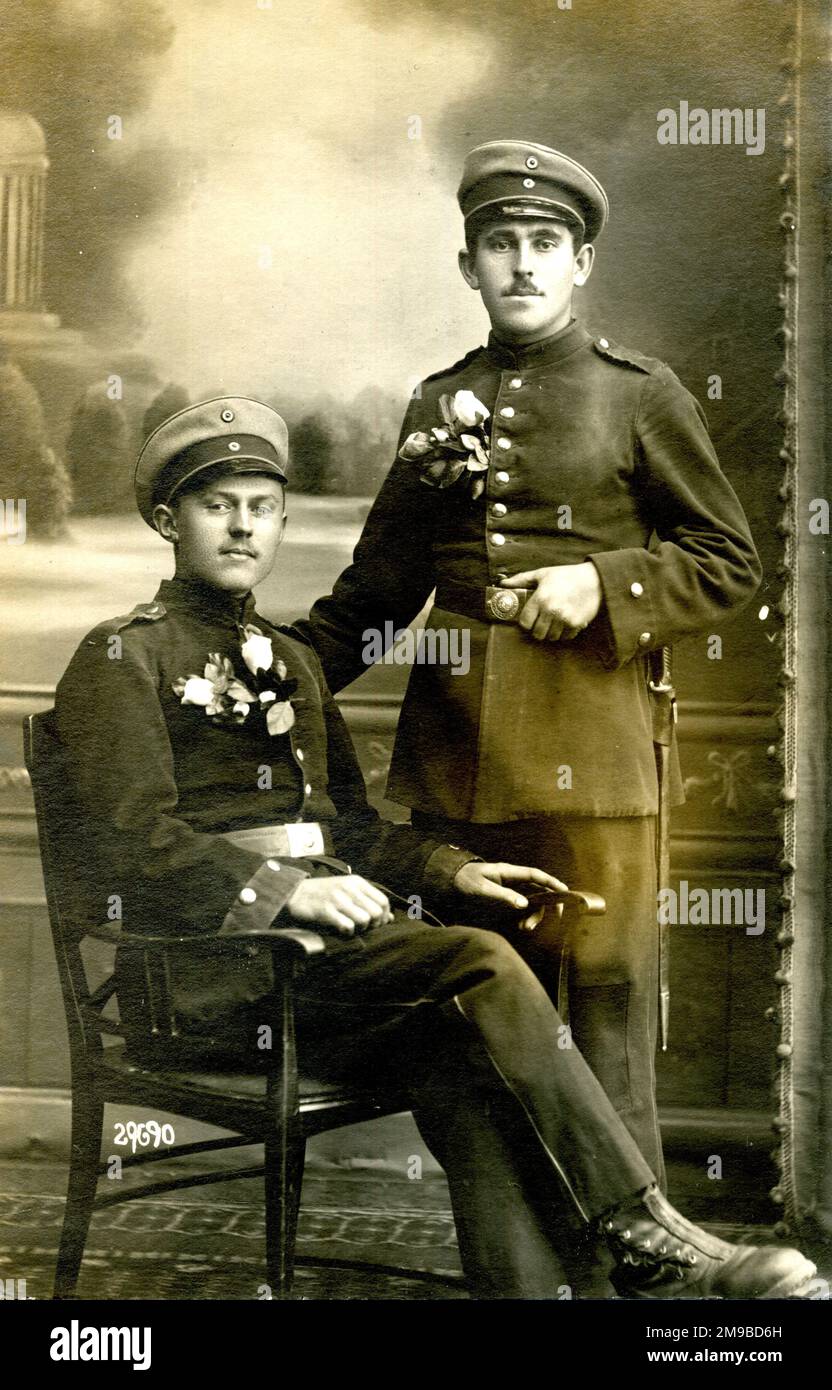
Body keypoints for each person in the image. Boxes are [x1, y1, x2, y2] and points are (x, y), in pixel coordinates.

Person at [51, 397, 813, 1301]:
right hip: (208, 977)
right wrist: (276, 891)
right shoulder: (119, 658)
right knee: (479, 965)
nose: (243, 524)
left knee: (458, 1051)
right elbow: (123, 840)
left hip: (316, 976)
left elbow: (357, 835)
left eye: (262, 505)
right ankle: (653, 1230)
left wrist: (454, 870)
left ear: (284, 522)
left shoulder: (291, 662)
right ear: (168, 521)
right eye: (219, 505)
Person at [296, 140, 763, 1190]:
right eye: (498, 244)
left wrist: (605, 582)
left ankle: (626, 1282)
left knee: (600, 1038)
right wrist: (269, 680)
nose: (521, 264)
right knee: (476, 1047)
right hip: (458, 773)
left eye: (543, 244)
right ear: (469, 266)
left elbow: (727, 560)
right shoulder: (436, 403)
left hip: (596, 780)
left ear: (581, 262)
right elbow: (376, 592)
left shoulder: (640, 396)